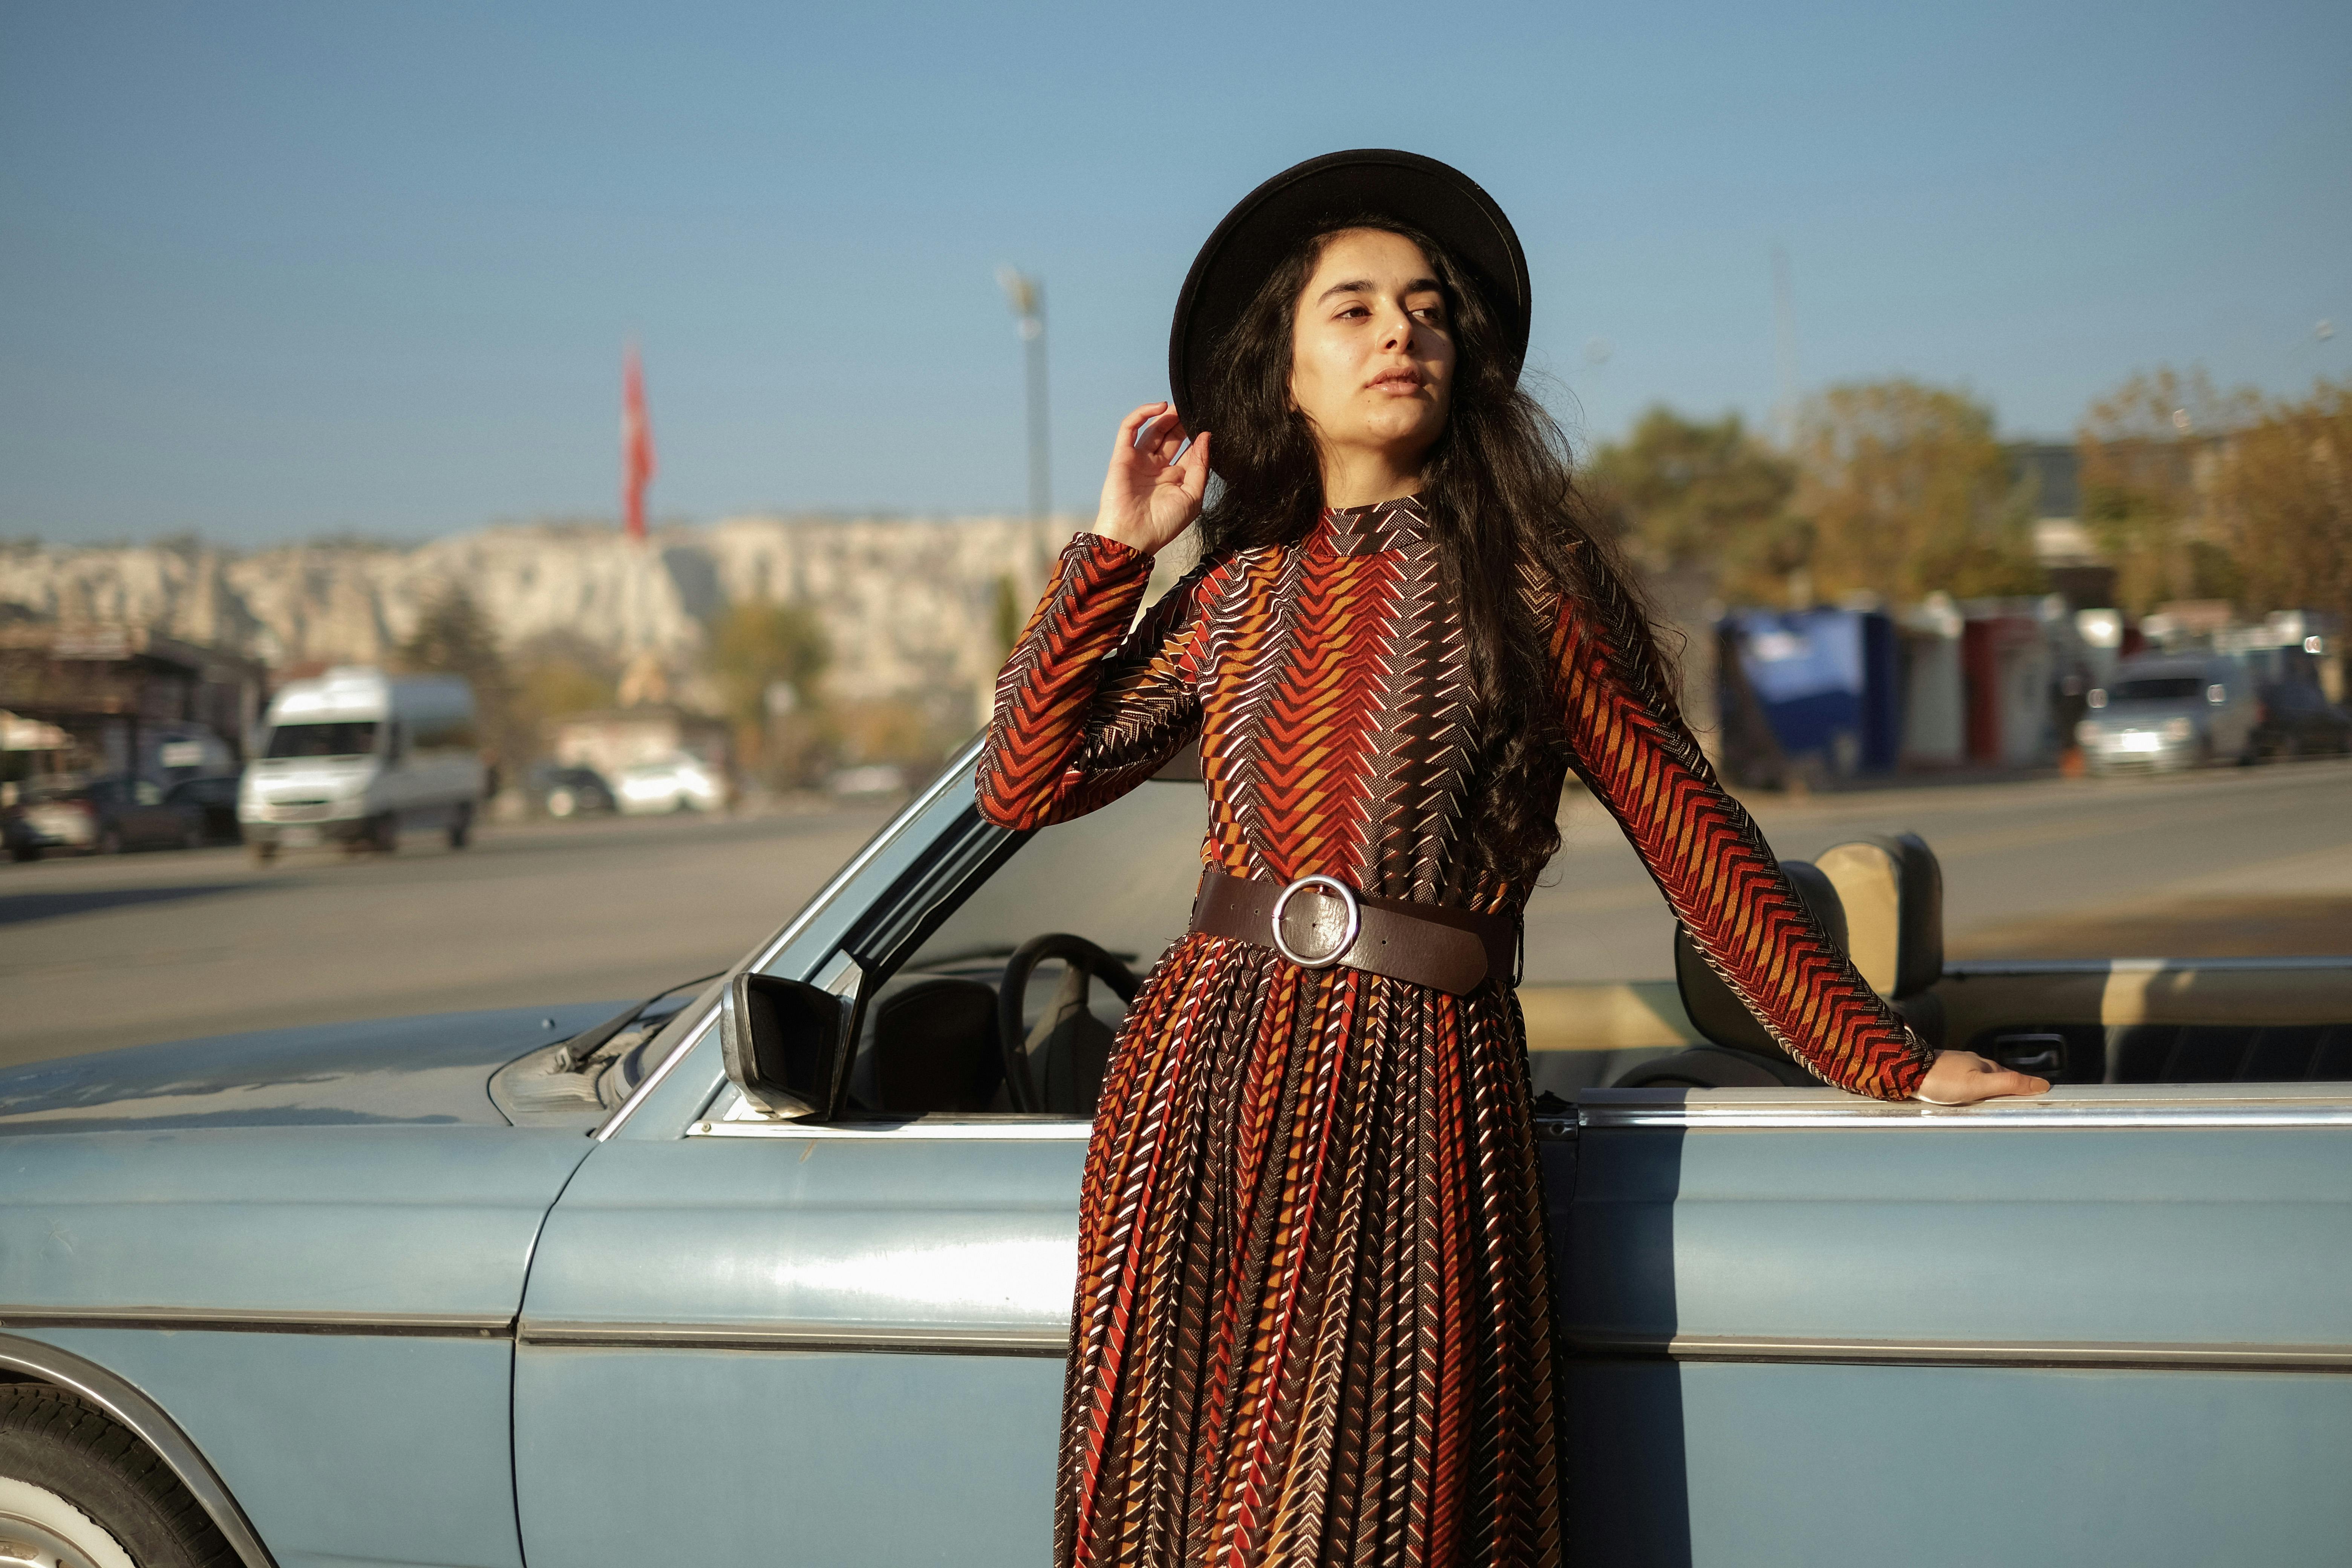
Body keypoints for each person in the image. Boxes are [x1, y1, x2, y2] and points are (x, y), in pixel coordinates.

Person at [978, 150, 2047, 1568]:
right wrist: (1116, 551)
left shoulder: (1529, 577)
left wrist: (1882, 1055)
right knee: (1168, 1519)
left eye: (1425, 310)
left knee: (1356, 1525)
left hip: (1407, 1094)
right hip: (1195, 1096)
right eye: (1351, 311)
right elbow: (1025, 776)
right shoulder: (1232, 592)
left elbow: (1687, 824)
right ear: (1282, 374)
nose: (1401, 332)